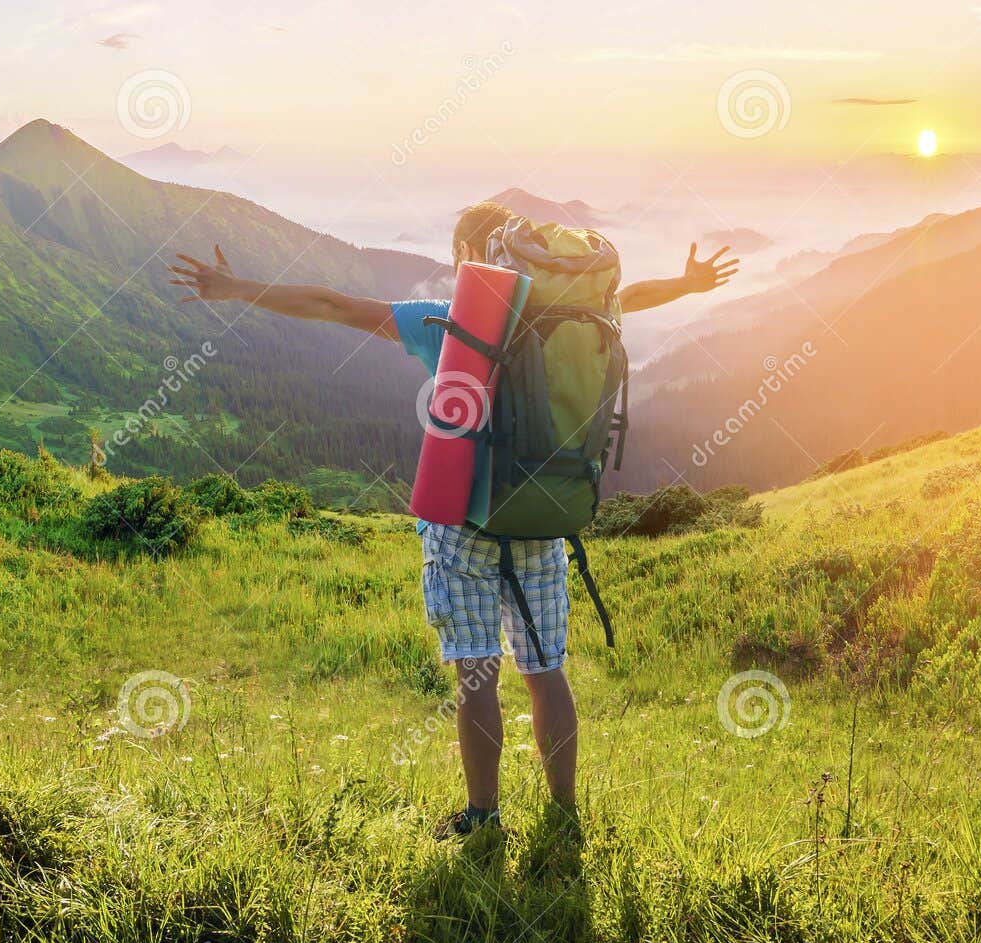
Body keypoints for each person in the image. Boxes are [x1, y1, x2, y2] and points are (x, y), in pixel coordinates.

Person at [168, 201, 738, 838]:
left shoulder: (450, 320)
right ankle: (565, 815)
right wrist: (687, 285)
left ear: (470, 257)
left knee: (477, 674)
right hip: (543, 516)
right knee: (546, 670)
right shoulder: (569, 313)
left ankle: (483, 816)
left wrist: (236, 288)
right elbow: (629, 296)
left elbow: (333, 304)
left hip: (465, 522)